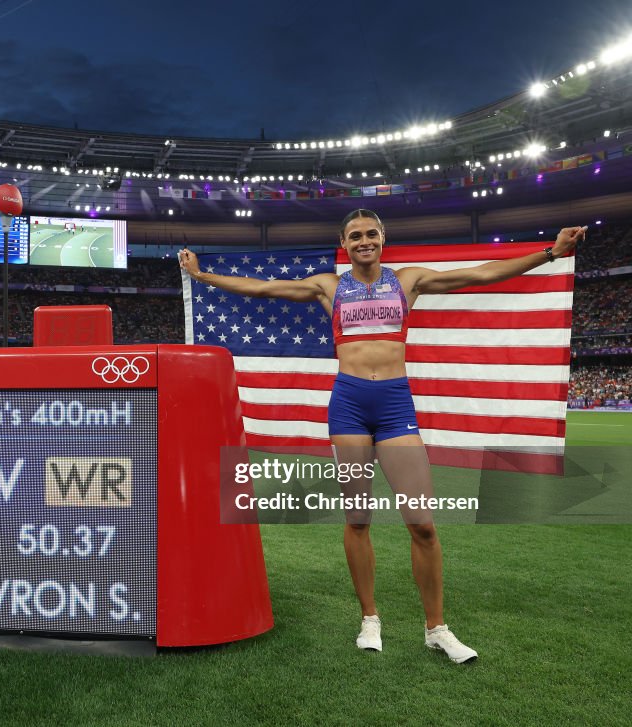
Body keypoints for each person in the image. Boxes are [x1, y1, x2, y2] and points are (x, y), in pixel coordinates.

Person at [179, 209, 585, 664]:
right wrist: (201, 276)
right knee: (357, 519)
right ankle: (369, 617)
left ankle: (437, 628)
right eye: (355, 236)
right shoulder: (327, 286)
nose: (365, 240)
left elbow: (481, 274)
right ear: (344, 243)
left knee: (423, 525)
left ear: (383, 238)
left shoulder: (407, 280)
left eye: (371, 233)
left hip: (395, 407)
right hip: (349, 405)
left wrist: (550, 253)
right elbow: (261, 288)